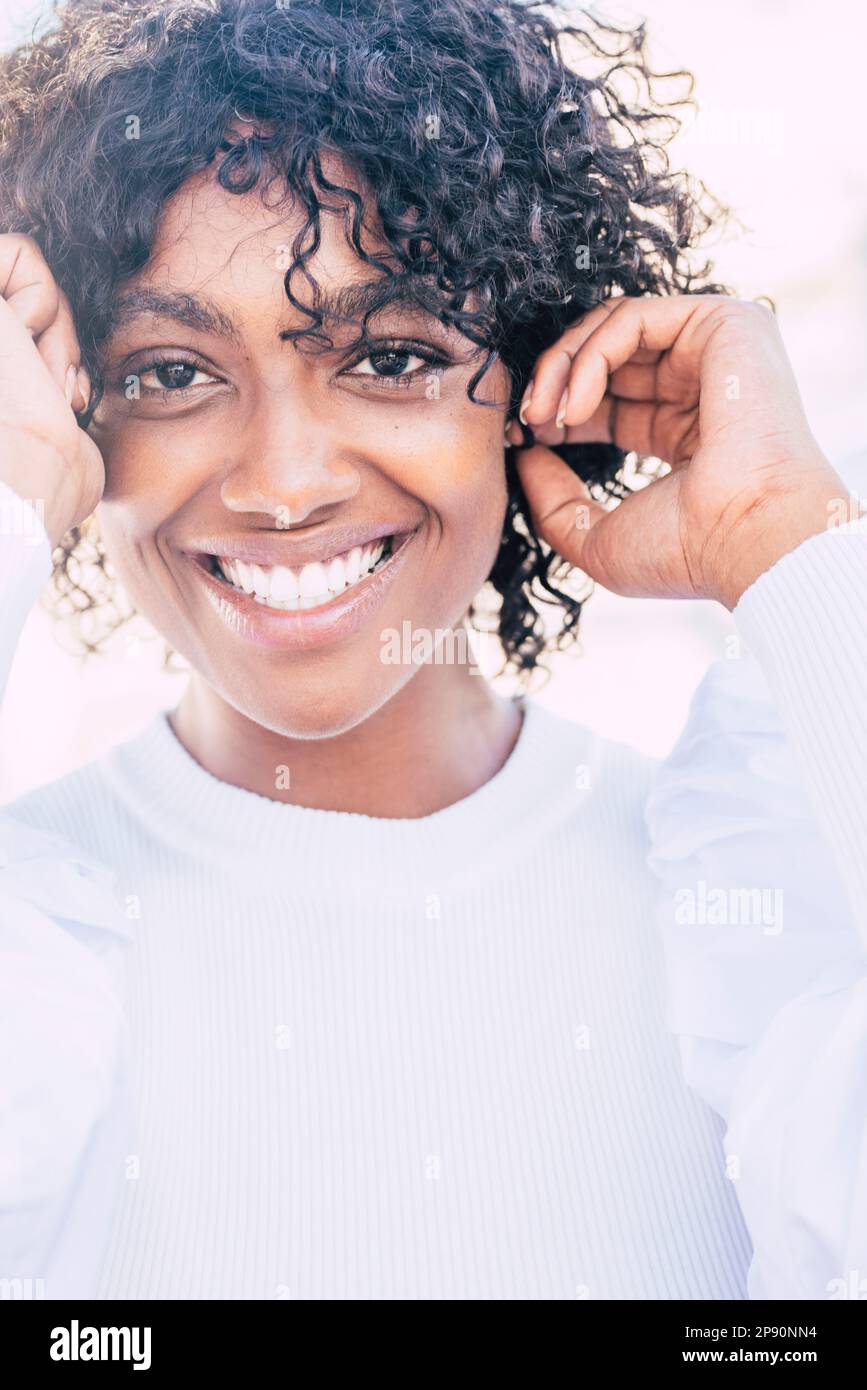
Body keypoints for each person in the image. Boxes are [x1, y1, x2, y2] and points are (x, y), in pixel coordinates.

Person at [1, 0, 865, 1301]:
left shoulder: (767, 920)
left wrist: (795, 546)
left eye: (392, 356)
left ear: (534, 369)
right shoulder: (35, 951)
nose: (284, 485)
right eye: (172, 373)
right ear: (68, 410)